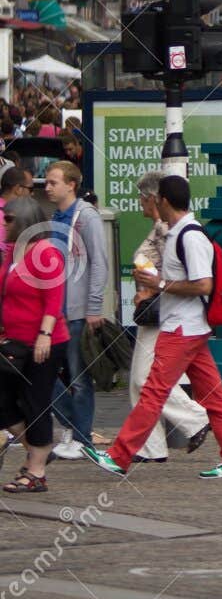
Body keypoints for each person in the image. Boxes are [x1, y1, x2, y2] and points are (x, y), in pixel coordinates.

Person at [84, 176, 222, 480]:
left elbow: (203, 284)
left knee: (153, 392)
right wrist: (159, 284)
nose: (151, 203)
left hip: (181, 330)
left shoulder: (189, 236)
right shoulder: (181, 233)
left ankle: (120, 456)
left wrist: (159, 284)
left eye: (155, 198)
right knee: (212, 397)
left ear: (163, 200)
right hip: (188, 328)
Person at [125, 172, 211, 462]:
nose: (140, 202)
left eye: (142, 197)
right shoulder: (161, 228)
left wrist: (151, 289)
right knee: (141, 380)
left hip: (164, 312)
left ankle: (195, 419)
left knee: (145, 379)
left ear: (154, 199)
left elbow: (172, 271)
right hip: (160, 312)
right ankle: (150, 447)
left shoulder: (165, 230)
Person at [43, 160, 110, 460]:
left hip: (77, 310)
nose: (47, 187)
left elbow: (99, 262)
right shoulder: (56, 216)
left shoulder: (86, 217)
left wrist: (93, 306)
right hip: (56, 311)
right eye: (47, 182)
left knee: (79, 377)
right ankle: (77, 429)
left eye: (53, 182)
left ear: (71, 185)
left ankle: (82, 439)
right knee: (43, 374)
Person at [0, 197, 67, 492]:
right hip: (14, 342)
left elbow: (54, 298)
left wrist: (45, 334)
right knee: (4, 402)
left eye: (9, 218)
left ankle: (36, 471)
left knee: (35, 402)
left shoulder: (45, 252)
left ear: (25, 220)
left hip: (43, 342)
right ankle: (38, 451)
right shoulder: (13, 252)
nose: (4, 223)